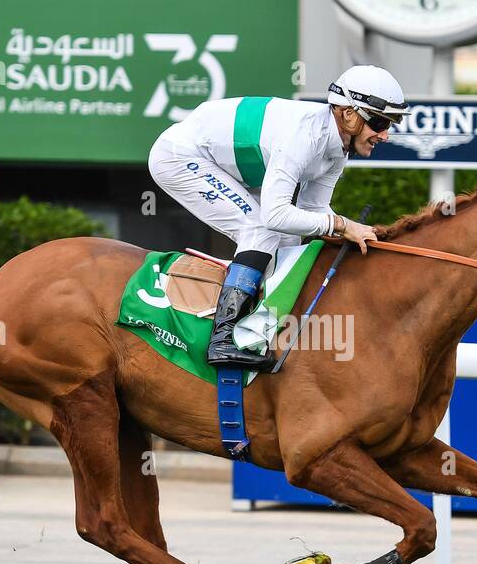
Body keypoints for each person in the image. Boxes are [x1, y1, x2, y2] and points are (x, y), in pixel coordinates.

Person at [146, 65, 407, 370]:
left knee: (288, 241)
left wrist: (358, 231)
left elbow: (313, 212)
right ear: (348, 114)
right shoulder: (304, 137)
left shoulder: (338, 148)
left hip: (225, 164)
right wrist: (342, 225)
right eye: (379, 122)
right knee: (261, 229)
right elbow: (275, 214)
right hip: (180, 156)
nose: (385, 135)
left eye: (392, 123)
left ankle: (261, 328)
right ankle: (223, 338)